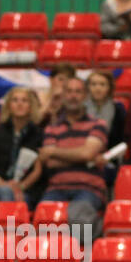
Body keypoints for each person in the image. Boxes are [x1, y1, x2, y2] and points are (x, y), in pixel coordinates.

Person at [38, 74, 110, 236]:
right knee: (43, 218)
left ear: (85, 96)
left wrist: (55, 152)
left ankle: (83, 259)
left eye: (78, 92)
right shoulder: (51, 128)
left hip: (88, 189)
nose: (73, 96)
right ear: (63, 96)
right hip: (56, 188)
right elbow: (49, 163)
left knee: (80, 220)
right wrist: (84, 157)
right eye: (69, 91)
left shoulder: (98, 124)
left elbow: (86, 153)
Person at [0, 86, 44, 207]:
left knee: (17, 197)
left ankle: (8, 225)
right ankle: (9, 225)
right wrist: (3, 184)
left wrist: (20, 187)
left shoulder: (37, 134)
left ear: (31, 106)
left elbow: (37, 170)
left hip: (25, 190)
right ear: (9, 105)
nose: (19, 104)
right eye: (15, 100)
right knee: (5, 193)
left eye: (24, 100)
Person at [85, 69, 126, 148]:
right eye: (93, 84)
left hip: (110, 154)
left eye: (102, 84)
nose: (98, 88)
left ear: (109, 87)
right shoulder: (81, 108)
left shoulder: (118, 108)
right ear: (88, 87)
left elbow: (122, 138)